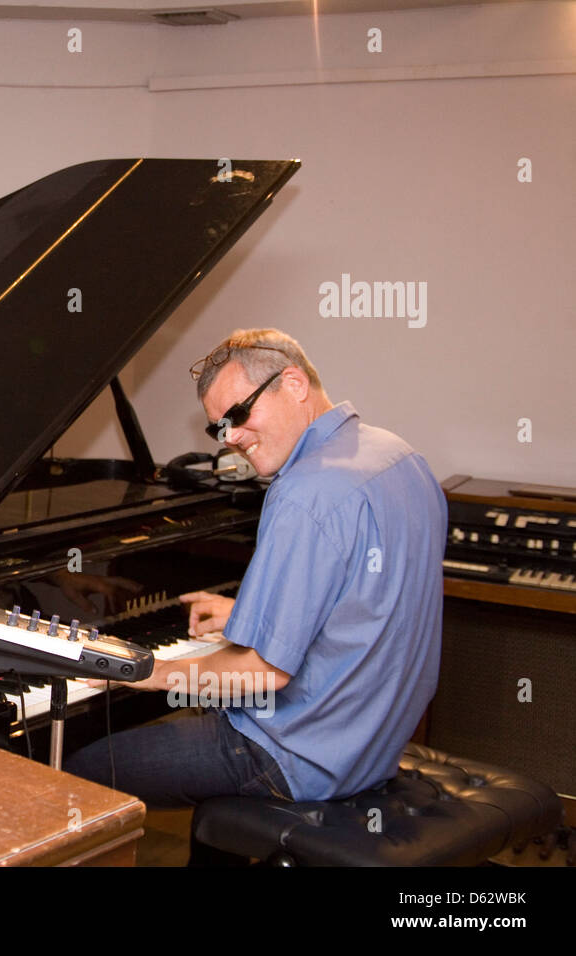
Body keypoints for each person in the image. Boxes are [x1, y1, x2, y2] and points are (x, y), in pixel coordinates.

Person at [65, 328, 446, 831]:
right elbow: (369, 602)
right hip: (373, 743)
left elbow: (263, 675)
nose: (230, 439)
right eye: (218, 428)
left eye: (239, 415)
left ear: (293, 383)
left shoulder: (304, 491)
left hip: (297, 757)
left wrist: (142, 668)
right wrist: (251, 617)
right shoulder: (400, 458)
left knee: (71, 770)